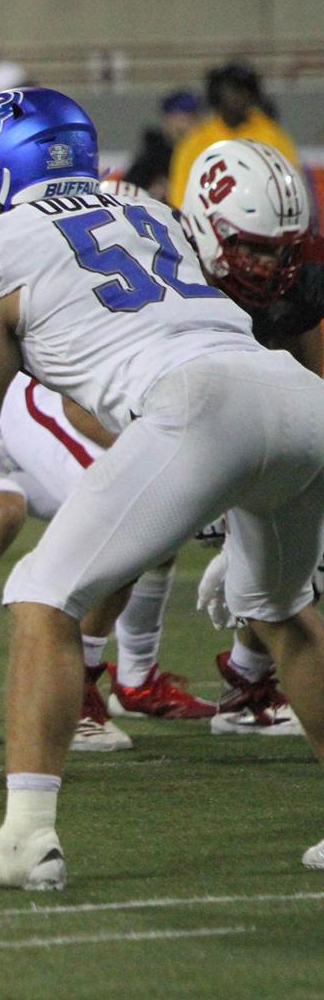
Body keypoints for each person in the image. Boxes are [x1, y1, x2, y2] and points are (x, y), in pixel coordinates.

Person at [0, 87, 324, 891]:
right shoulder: (153, 215)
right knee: (282, 611)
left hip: (200, 402)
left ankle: (24, 838)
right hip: (293, 394)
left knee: (43, 593)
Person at [0, 309, 213, 752]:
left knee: (149, 518)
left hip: (25, 420)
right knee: (4, 512)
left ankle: (136, 680)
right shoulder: (14, 290)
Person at [180, 140, 323, 739]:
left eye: (282, 252)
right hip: (140, 427)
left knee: (298, 554)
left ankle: (246, 682)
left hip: (242, 422)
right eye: (252, 250)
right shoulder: (171, 275)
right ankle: (96, 677)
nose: (269, 268)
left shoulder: (299, 284)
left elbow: (315, 386)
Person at [167, 61, 301, 209]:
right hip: (207, 220)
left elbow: (290, 184)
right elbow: (180, 195)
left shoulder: (271, 134)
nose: (237, 97)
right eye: (231, 90)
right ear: (217, 94)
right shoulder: (197, 139)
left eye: (244, 90)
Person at [121, 90, 201, 202]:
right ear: (168, 119)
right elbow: (128, 190)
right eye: (182, 118)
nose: (188, 124)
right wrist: (151, 192)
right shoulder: (152, 156)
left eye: (192, 117)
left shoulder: (201, 149)